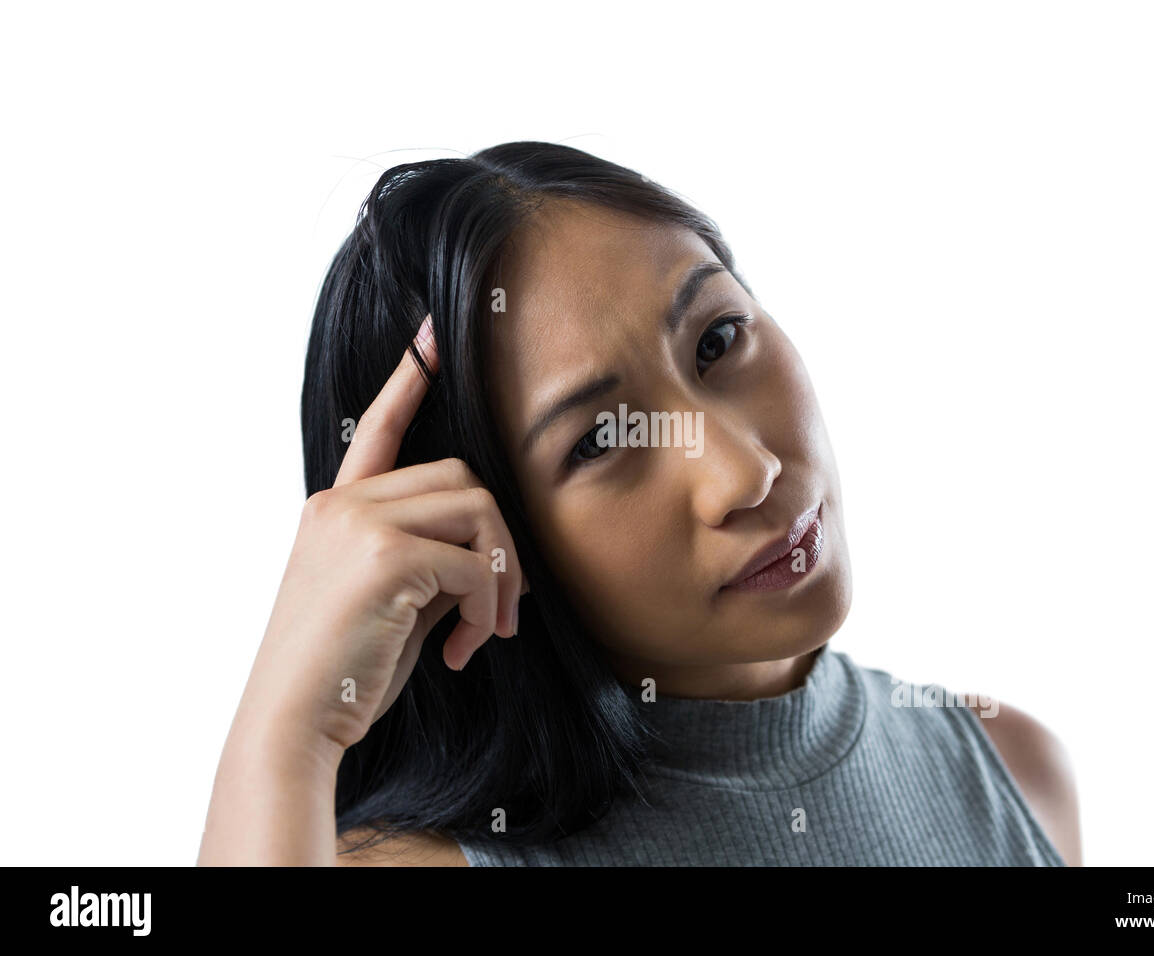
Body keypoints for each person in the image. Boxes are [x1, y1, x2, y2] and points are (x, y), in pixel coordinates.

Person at [197, 142, 1082, 867]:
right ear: (485, 537)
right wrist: (289, 730)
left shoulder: (1012, 770)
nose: (747, 472)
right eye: (602, 441)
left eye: (719, 339)